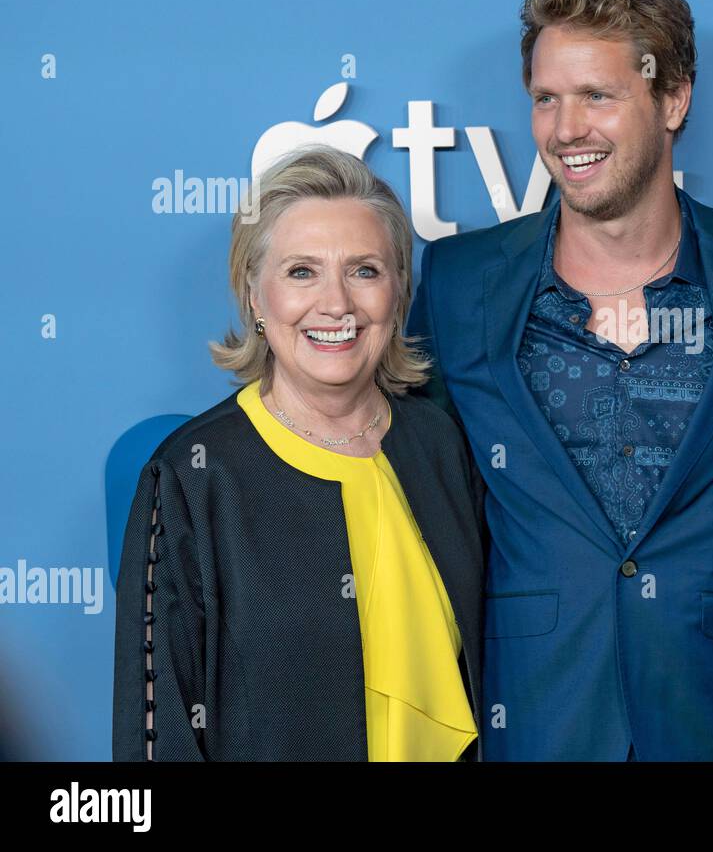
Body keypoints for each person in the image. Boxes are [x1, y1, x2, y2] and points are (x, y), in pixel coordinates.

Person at [407, 0, 713, 760]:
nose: (566, 129)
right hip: (537, 713)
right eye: (547, 99)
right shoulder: (459, 283)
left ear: (673, 98)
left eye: (598, 95)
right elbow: (420, 493)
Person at [113, 147, 485, 761]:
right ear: (255, 298)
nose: (336, 304)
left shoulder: (440, 444)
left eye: (364, 270)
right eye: (301, 271)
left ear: (399, 292)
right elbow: (158, 732)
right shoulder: (195, 474)